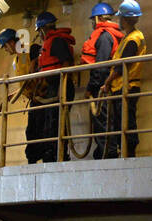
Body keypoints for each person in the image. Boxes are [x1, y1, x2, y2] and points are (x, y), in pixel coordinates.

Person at [28, 11, 76, 163]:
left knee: (55, 123)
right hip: (51, 88)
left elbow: (66, 64)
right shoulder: (50, 43)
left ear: (42, 29)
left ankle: (57, 154)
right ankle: (49, 154)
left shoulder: (57, 42)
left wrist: (61, 86)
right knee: (48, 122)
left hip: (59, 87)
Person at [100, 1, 147, 157]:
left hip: (126, 87)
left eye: (120, 18)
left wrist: (107, 82)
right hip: (122, 87)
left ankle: (129, 155)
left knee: (126, 123)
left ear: (125, 19)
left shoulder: (132, 39)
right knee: (122, 123)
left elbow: (122, 67)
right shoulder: (130, 37)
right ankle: (125, 153)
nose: (119, 21)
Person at [82, 4, 124, 160]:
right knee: (108, 122)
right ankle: (106, 152)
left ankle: (108, 154)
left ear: (97, 18)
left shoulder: (104, 37)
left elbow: (100, 66)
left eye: (93, 19)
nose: (93, 23)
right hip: (109, 85)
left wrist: (91, 88)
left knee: (104, 123)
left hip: (103, 87)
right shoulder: (113, 35)